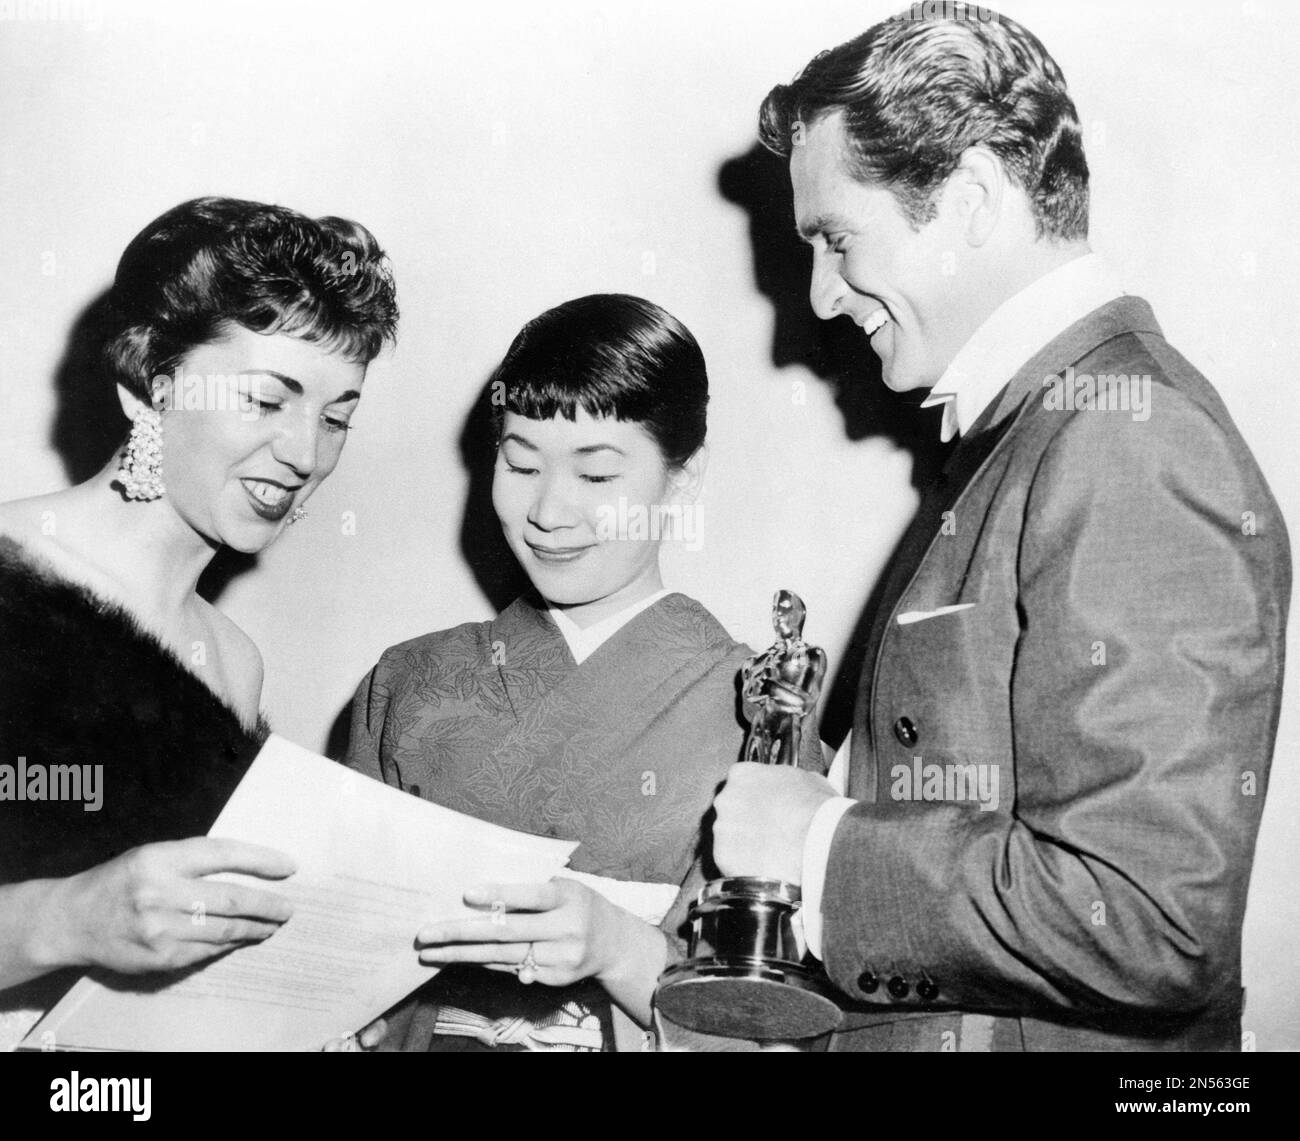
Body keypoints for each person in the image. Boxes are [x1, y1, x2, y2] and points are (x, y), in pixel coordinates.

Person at [706, 8, 1290, 1051]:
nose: (821, 295)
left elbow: (1151, 919)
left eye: (836, 240)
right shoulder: (1039, 427)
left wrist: (819, 846)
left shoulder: (1129, 434)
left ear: (970, 199)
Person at [344, 294, 818, 1051]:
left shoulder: (758, 710)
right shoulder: (410, 681)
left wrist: (617, 947)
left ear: (683, 476)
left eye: (596, 475)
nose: (548, 510)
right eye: (520, 462)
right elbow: (344, 955)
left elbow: (761, 1025)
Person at [0, 196, 399, 1048]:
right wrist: (63, 917)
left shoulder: (232, 662)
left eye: (336, 417)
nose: (306, 454)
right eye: (267, 399)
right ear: (152, 384)